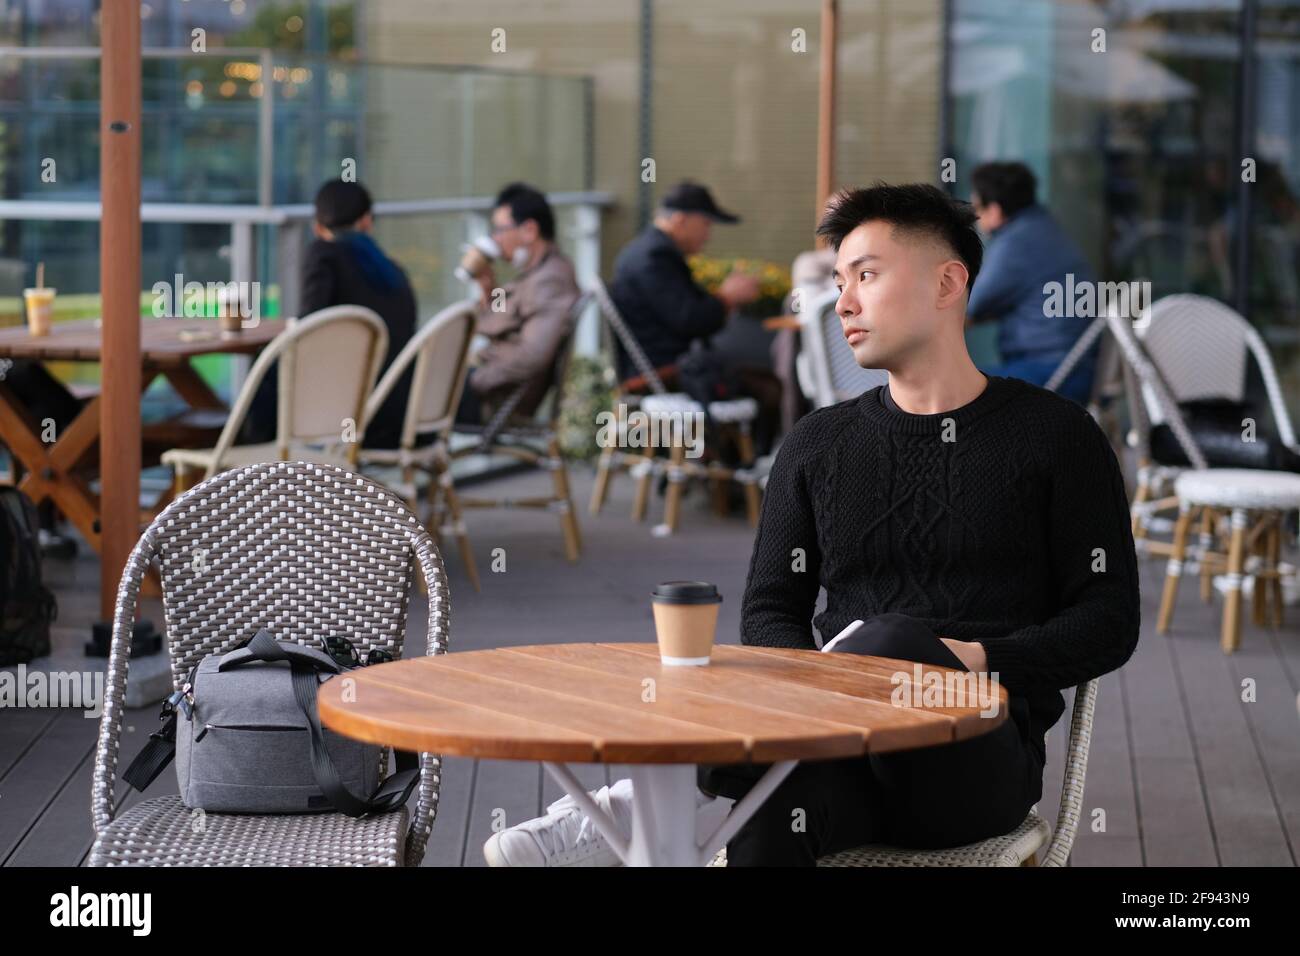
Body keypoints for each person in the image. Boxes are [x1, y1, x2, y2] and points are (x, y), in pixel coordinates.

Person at [483, 182, 1140, 867]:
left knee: (890, 639)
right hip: (828, 753)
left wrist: (972, 659)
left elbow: (1108, 619)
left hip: (972, 760)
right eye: (838, 280)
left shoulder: (1057, 437)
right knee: (768, 825)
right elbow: (771, 610)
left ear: (948, 283)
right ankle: (707, 789)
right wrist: (822, 701)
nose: (844, 303)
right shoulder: (818, 444)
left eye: (867, 275)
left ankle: (662, 792)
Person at [609, 181, 781, 457]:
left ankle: (720, 476)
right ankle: (743, 480)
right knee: (769, 386)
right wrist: (727, 297)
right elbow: (690, 320)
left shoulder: (648, 251)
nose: (708, 235)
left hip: (656, 365)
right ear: (680, 220)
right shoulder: (655, 256)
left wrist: (723, 300)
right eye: (706, 224)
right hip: (659, 371)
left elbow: (686, 313)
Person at [246, 179, 417, 450]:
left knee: (266, 369)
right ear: (367, 221)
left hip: (348, 418)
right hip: (398, 413)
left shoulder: (325, 255)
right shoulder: (394, 272)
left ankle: (248, 468)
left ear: (318, 225)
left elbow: (309, 329)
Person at [967, 161, 1098, 404]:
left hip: (1051, 372)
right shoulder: (1045, 228)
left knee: (952, 386)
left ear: (994, 211)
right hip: (1078, 368)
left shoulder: (1015, 245)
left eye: (977, 208)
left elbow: (966, 309)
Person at [454, 183, 581, 426]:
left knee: (411, 387)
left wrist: (472, 379)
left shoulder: (550, 280)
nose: (496, 239)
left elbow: (532, 356)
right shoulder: (535, 272)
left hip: (496, 402)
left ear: (529, 230)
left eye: (500, 229)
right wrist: (489, 290)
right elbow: (501, 319)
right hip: (494, 390)